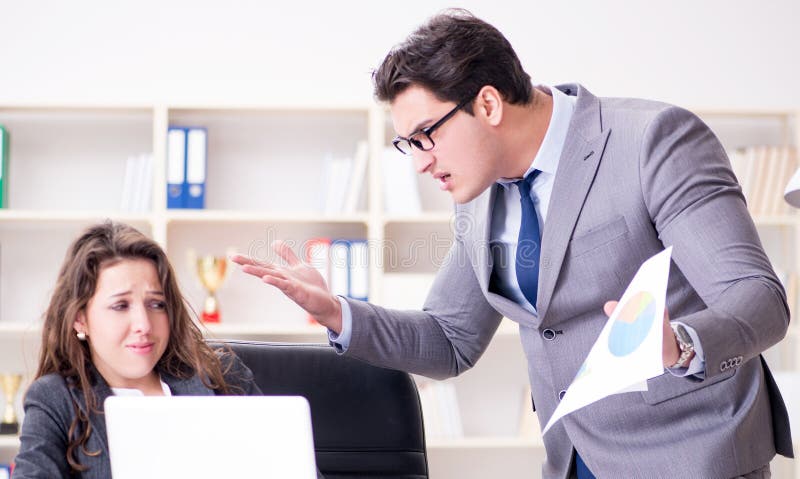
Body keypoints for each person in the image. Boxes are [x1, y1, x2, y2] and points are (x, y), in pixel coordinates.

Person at [232, 9, 793, 478]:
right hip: (572, 458)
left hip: (691, 456)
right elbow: (449, 340)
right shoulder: (477, 196)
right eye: (409, 144)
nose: (422, 160)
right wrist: (336, 312)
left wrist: (684, 344)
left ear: (489, 104)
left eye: (426, 135)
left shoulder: (652, 141)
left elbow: (759, 297)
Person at [13, 221, 262, 479]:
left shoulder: (224, 377)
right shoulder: (55, 399)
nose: (144, 325)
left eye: (156, 304)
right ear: (80, 319)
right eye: (121, 306)